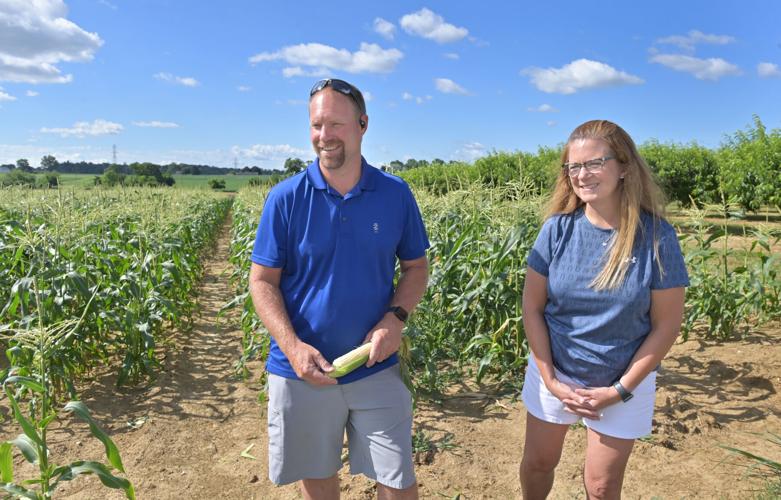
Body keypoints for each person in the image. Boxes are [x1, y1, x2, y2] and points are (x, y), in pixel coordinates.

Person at [248, 78, 429, 500]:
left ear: (363, 125)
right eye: (316, 125)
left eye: (336, 124)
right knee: (318, 479)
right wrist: (293, 346)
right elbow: (261, 281)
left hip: (375, 364)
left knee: (399, 481)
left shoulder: (395, 194)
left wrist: (395, 319)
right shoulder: (286, 198)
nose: (324, 136)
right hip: (302, 372)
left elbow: (416, 268)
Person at [519, 120, 689, 499]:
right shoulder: (556, 230)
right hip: (557, 371)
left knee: (601, 486)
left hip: (624, 379)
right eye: (573, 166)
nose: (582, 174)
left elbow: (666, 325)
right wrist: (550, 380)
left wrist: (619, 391)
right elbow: (532, 308)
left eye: (594, 163)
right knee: (537, 464)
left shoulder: (657, 237)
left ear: (624, 167)